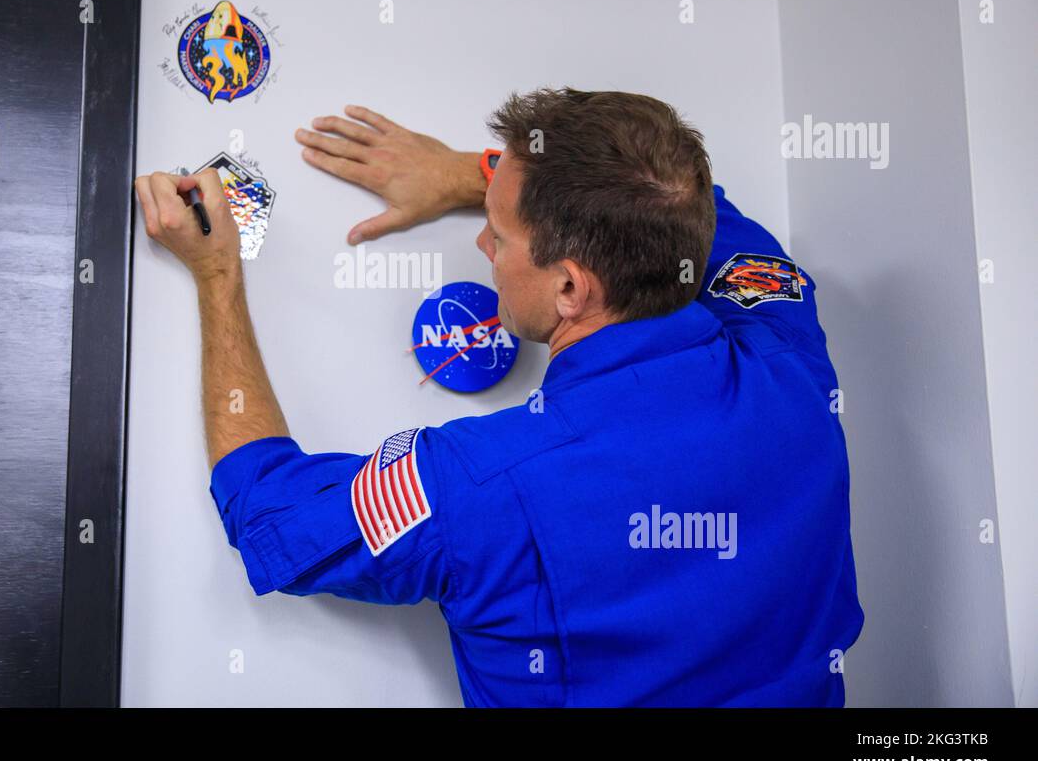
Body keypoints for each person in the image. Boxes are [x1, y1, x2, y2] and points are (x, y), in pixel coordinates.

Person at [134, 89, 864, 707]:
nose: (482, 241)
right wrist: (467, 173)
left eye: (499, 229)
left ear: (571, 288)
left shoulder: (475, 485)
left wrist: (217, 273)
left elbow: (269, 513)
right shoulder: (790, 356)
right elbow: (689, 200)